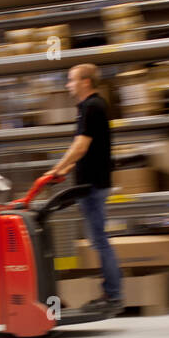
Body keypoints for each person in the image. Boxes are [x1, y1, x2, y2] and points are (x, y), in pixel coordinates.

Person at [47, 63, 121, 311]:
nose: (68, 84)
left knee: (99, 240)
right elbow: (91, 150)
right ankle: (111, 293)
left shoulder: (92, 106)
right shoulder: (88, 107)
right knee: (98, 239)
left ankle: (112, 295)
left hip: (93, 185)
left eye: (71, 80)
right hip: (90, 182)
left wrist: (57, 168)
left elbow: (81, 146)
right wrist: (66, 170)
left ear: (85, 82)